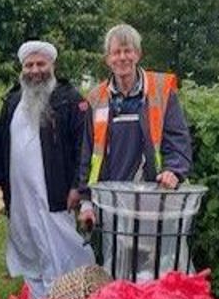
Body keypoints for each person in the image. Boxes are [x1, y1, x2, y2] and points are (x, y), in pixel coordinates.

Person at [0, 40, 94, 299]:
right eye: (29, 65)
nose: (35, 70)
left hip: (56, 194)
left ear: (52, 66)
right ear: (22, 69)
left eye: (41, 64)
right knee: (30, 251)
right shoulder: (13, 100)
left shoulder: (69, 99)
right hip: (20, 198)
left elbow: (83, 147)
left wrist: (78, 187)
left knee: (61, 252)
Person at [80, 23, 193, 223]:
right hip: (109, 200)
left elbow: (177, 138)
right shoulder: (95, 98)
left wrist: (173, 170)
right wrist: (86, 201)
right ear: (108, 59)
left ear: (138, 54)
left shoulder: (162, 89)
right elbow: (86, 152)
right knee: (113, 254)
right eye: (116, 52)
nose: (122, 57)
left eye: (127, 51)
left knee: (152, 253)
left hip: (155, 196)